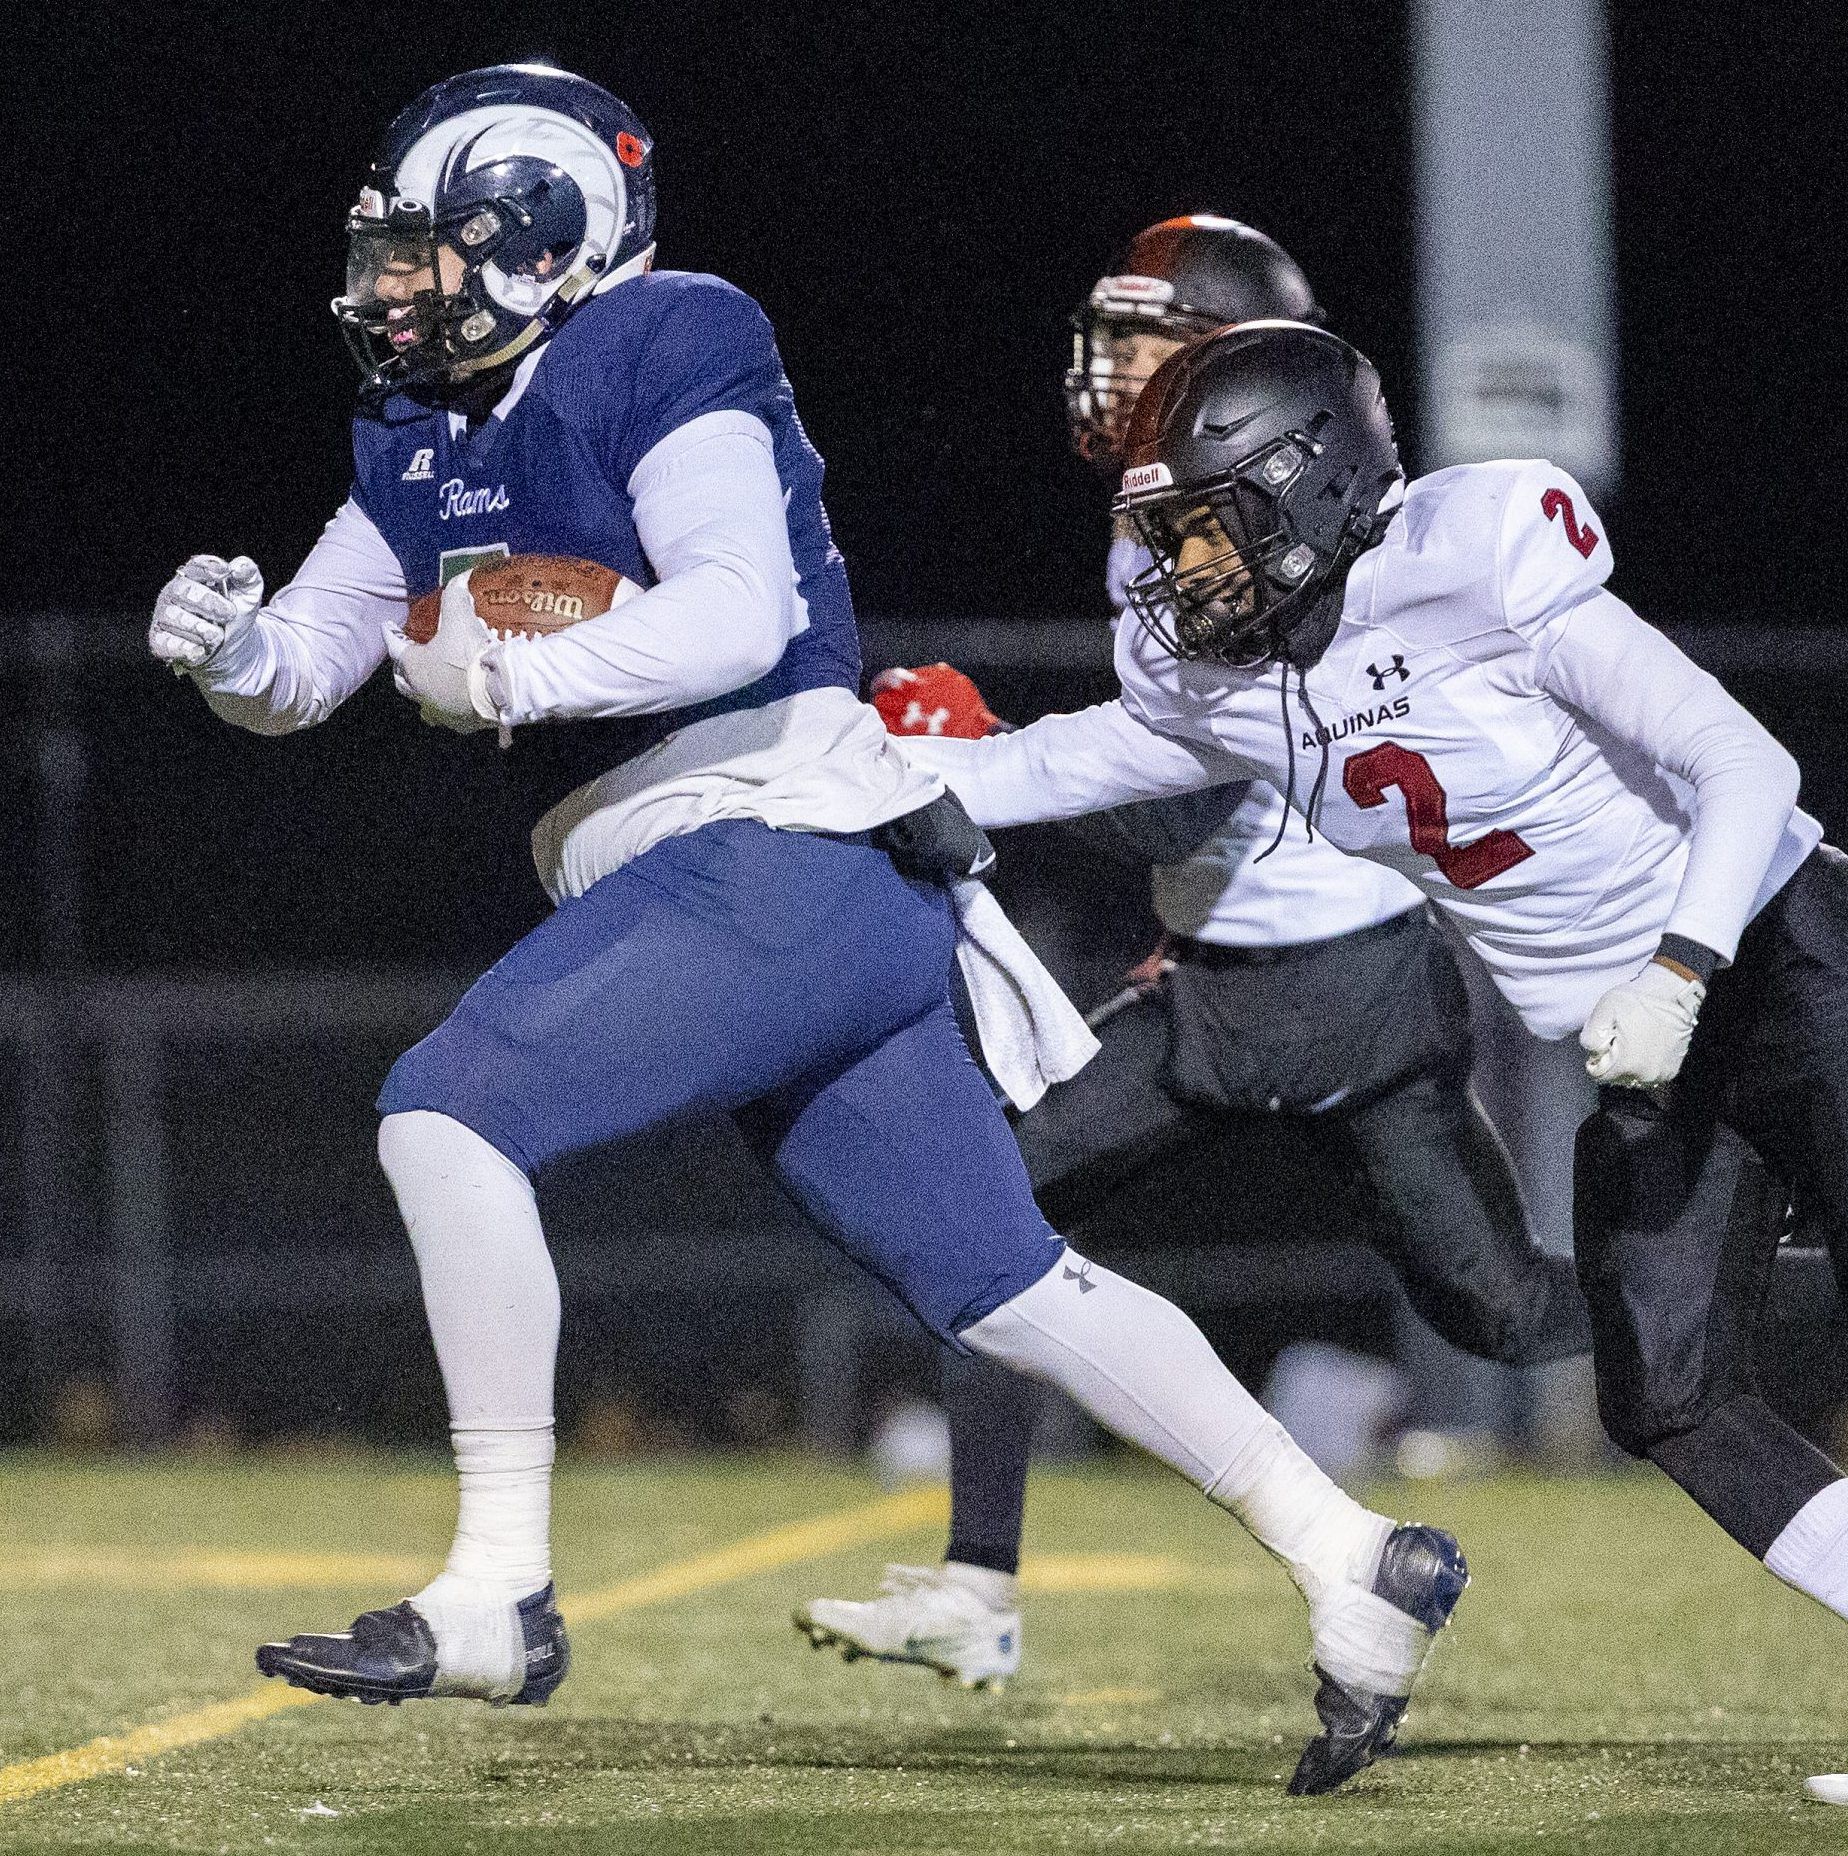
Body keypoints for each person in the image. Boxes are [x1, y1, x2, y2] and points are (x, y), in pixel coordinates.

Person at [144, 70, 1463, 1797]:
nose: (392, 289)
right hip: (789, 883)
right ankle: (1352, 1557)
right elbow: (318, 659)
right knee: (1006, 1283)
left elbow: (736, 613)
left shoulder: (663, 336)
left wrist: (517, 675)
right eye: (384, 255)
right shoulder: (418, 429)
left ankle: (497, 1590)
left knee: (447, 1113)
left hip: (774, 837)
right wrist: (232, 654)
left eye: (426, 251)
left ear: (543, 238)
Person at [888, 319, 1848, 1804]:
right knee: (1665, 1393)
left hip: (1783, 959)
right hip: (1649, 1051)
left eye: (1211, 525)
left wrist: (1678, 969)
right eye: (1173, 534)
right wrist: (838, 765)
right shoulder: (1228, 683)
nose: (1184, 567)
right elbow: (1042, 767)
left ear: (1313, 484)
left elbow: (1745, 763)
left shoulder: (1476, 566)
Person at [796, 215, 1588, 1694]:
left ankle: (1784, 1256)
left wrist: (980, 745)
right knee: (994, 1214)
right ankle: (976, 1588)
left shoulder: (1259, 510)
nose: (1107, 368)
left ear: (1225, 357)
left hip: (1346, 984)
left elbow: (1182, 791)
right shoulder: (1164, 511)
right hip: (1229, 972)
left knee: (1503, 1306)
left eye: (1141, 339)